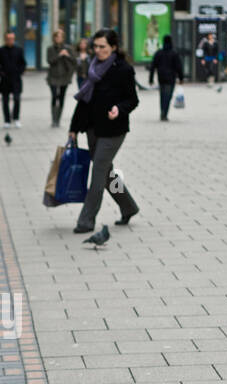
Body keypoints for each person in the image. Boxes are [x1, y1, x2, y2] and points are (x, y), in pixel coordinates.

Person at [69, 28, 139, 233]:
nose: (97, 50)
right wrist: (73, 129)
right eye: (96, 46)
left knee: (98, 171)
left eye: (103, 47)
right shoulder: (93, 67)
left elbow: (132, 100)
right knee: (107, 174)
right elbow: (83, 101)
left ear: (114, 47)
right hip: (92, 128)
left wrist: (119, 109)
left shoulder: (123, 69)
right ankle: (128, 206)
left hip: (114, 131)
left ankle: (86, 220)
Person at [0, 30, 26, 128]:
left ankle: (16, 118)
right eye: (8, 39)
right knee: (5, 101)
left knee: (17, 99)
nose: (10, 40)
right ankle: (6, 120)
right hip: (5, 80)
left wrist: (20, 72)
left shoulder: (19, 50)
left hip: (16, 79)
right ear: (5, 39)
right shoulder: (0, 51)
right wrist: (0, 73)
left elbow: (23, 63)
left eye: (12, 39)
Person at [148, 34, 184, 120]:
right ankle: (164, 113)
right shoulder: (174, 53)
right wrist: (181, 78)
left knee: (162, 95)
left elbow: (153, 66)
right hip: (171, 78)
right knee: (168, 96)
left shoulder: (159, 53)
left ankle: (162, 111)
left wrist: (151, 79)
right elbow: (179, 67)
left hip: (161, 78)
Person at [46, 28, 76, 128]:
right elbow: (50, 61)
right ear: (54, 38)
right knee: (54, 96)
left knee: (62, 97)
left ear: (63, 38)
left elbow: (74, 61)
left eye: (60, 36)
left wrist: (66, 55)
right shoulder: (50, 49)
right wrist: (59, 55)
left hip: (64, 76)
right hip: (53, 76)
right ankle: (53, 119)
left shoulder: (68, 48)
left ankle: (58, 119)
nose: (58, 38)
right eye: (56, 36)